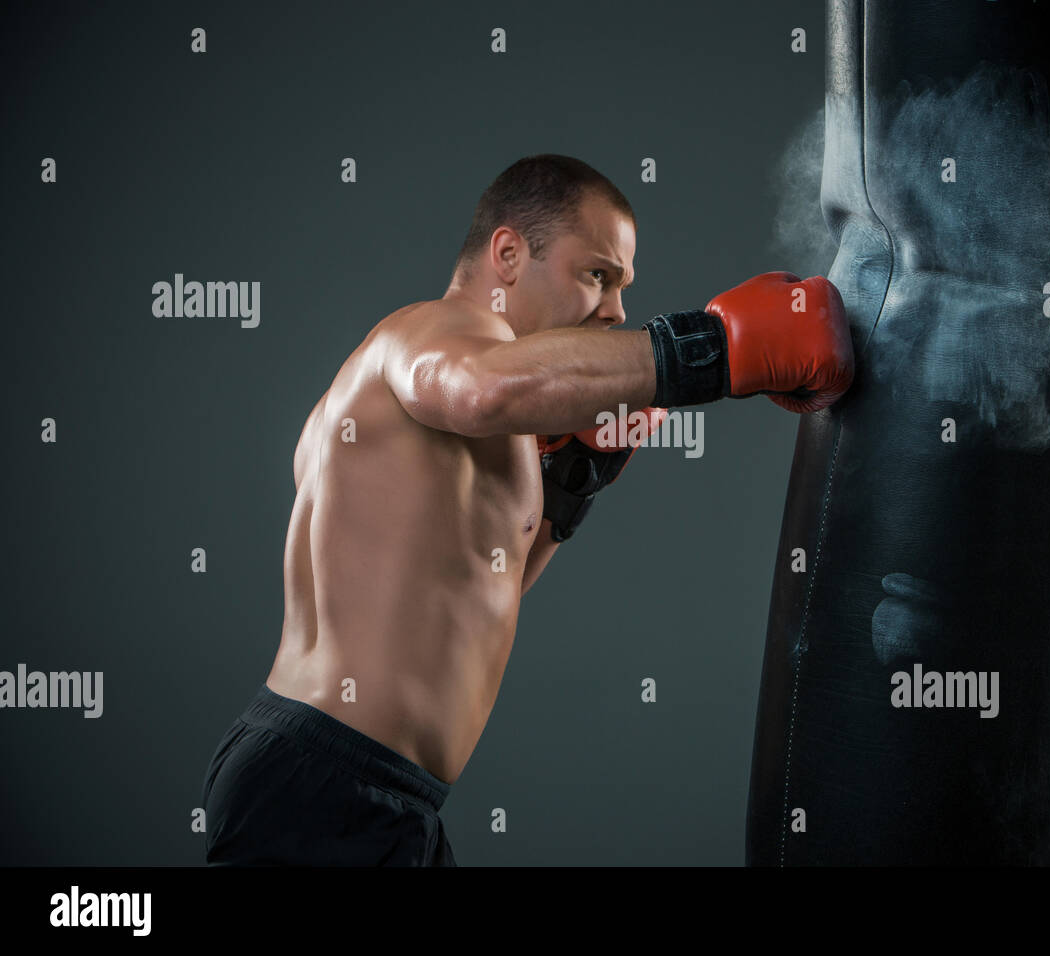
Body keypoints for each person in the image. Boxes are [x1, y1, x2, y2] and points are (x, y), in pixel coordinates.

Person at [200, 153, 854, 866]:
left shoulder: (496, 419)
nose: (615, 309)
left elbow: (483, 589)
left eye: (622, 284)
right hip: (323, 784)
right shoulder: (427, 334)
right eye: (598, 274)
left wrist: (575, 482)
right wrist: (714, 351)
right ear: (508, 254)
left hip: (390, 796)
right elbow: (480, 388)